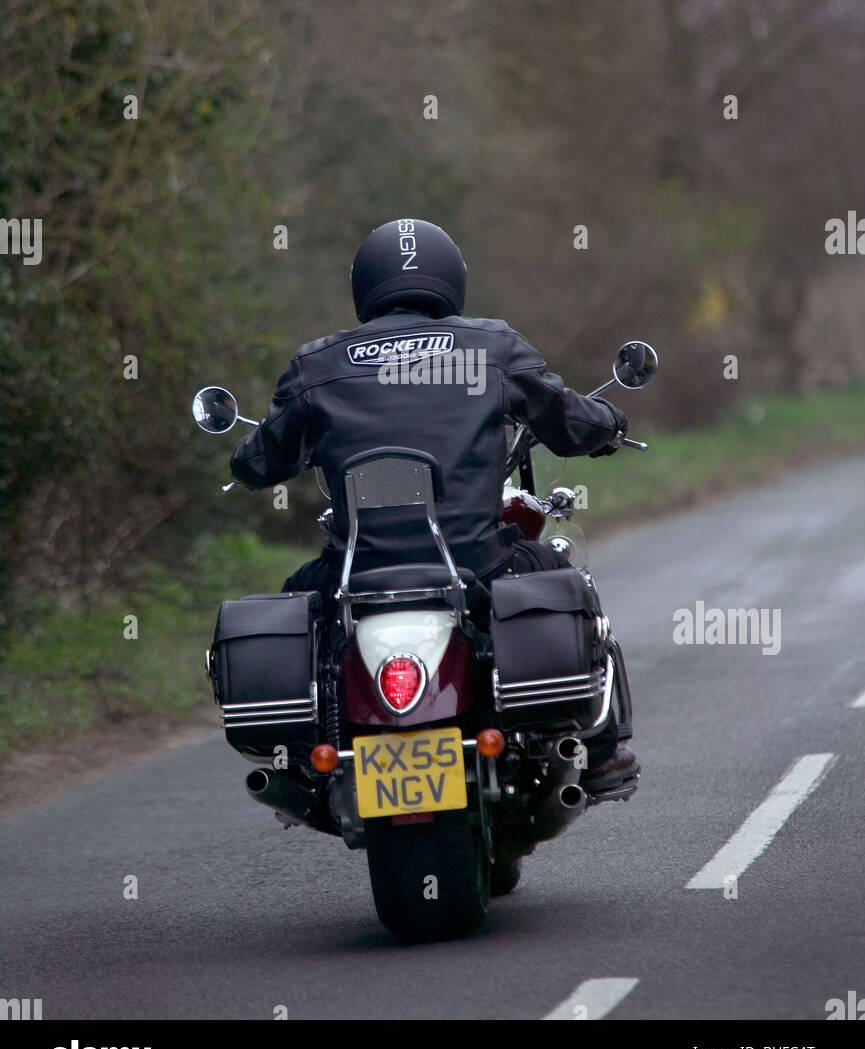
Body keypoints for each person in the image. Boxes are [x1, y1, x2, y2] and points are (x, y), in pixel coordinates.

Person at [230, 218, 638, 798]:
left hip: (358, 575)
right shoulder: (491, 345)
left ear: (364, 284)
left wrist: (250, 463)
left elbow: (258, 462)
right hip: (479, 563)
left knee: (300, 602)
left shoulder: (318, 366)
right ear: (452, 278)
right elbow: (569, 421)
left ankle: (301, 761)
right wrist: (610, 426)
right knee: (566, 580)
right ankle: (601, 752)